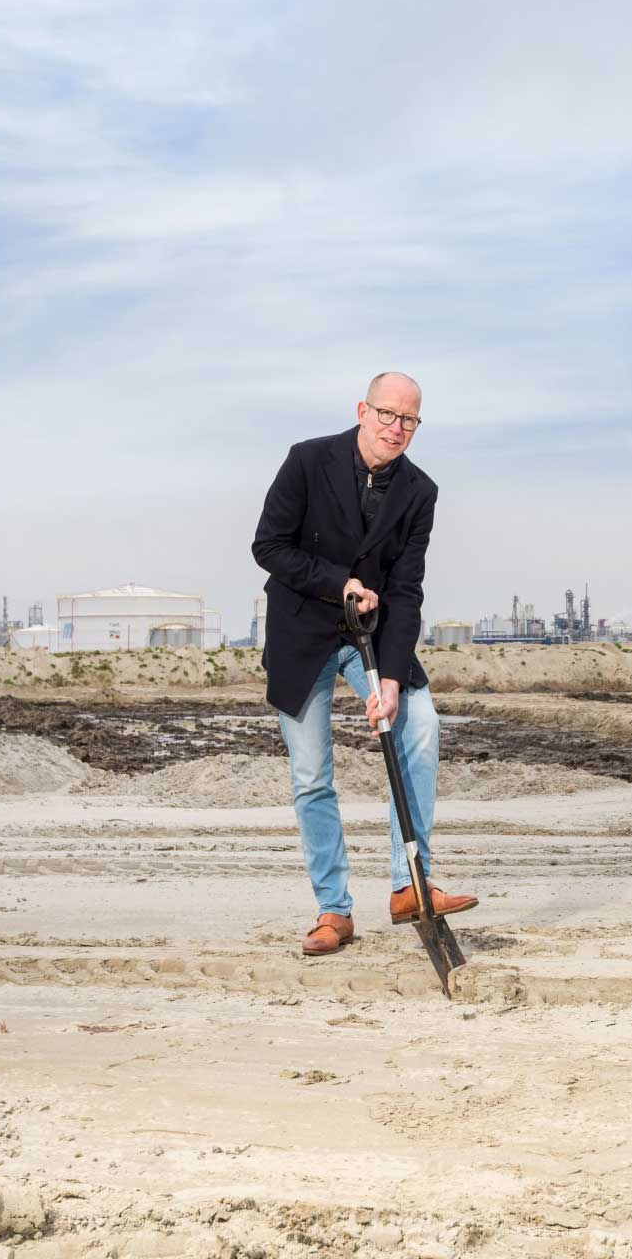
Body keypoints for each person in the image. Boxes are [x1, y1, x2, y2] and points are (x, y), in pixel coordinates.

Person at [251, 371, 477, 957]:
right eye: (387, 414)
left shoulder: (420, 492)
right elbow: (268, 546)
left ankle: (409, 885)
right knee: (311, 776)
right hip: (302, 632)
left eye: (409, 420)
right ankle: (334, 910)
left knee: (420, 724)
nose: (396, 428)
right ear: (362, 410)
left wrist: (394, 679)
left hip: (369, 638)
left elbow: (406, 589)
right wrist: (340, 583)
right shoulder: (307, 461)